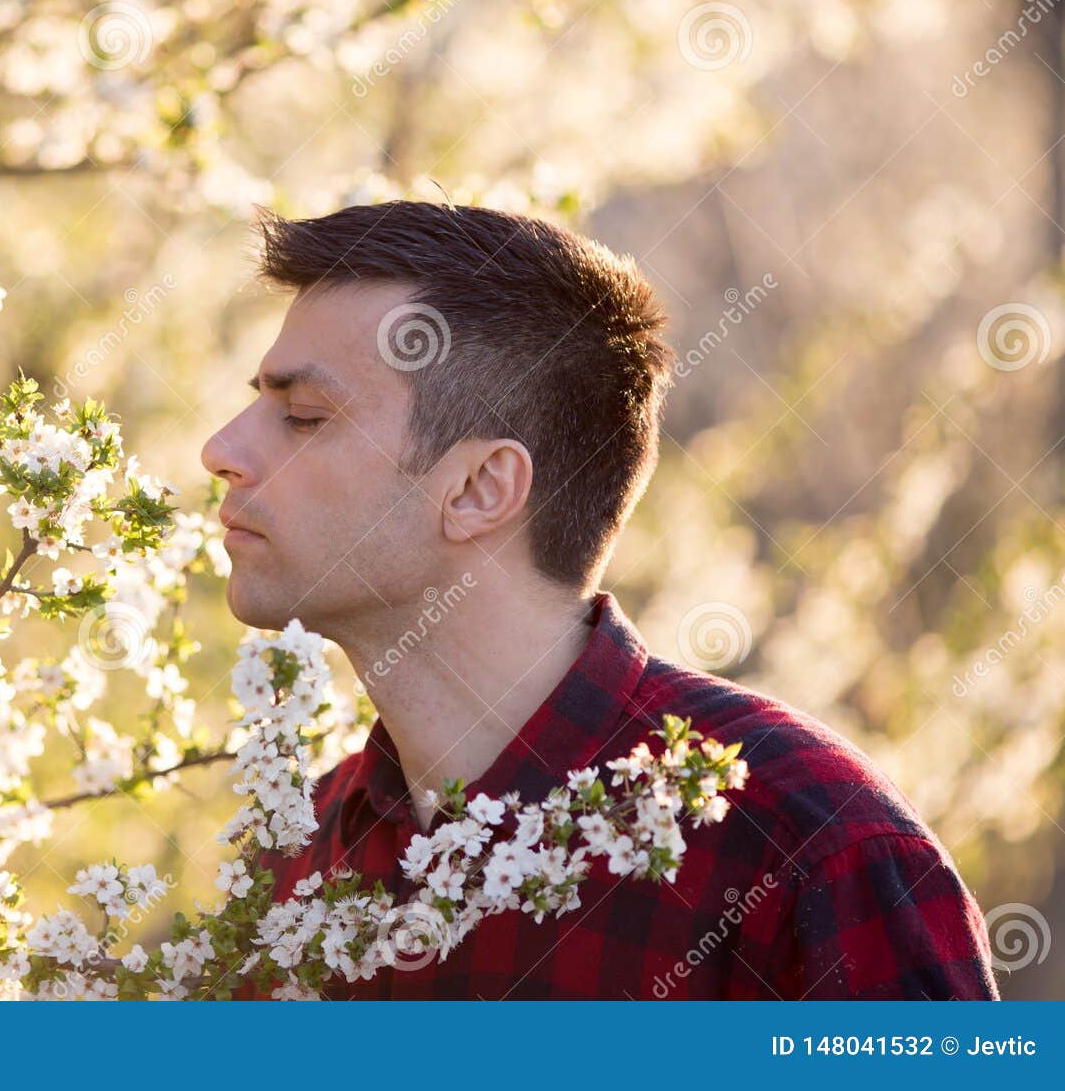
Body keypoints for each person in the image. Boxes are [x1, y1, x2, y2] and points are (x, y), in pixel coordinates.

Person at [202, 200, 999, 1000]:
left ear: (479, 488)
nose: (222, 451)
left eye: (303, 416)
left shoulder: (809, 850)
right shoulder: (297, 858)